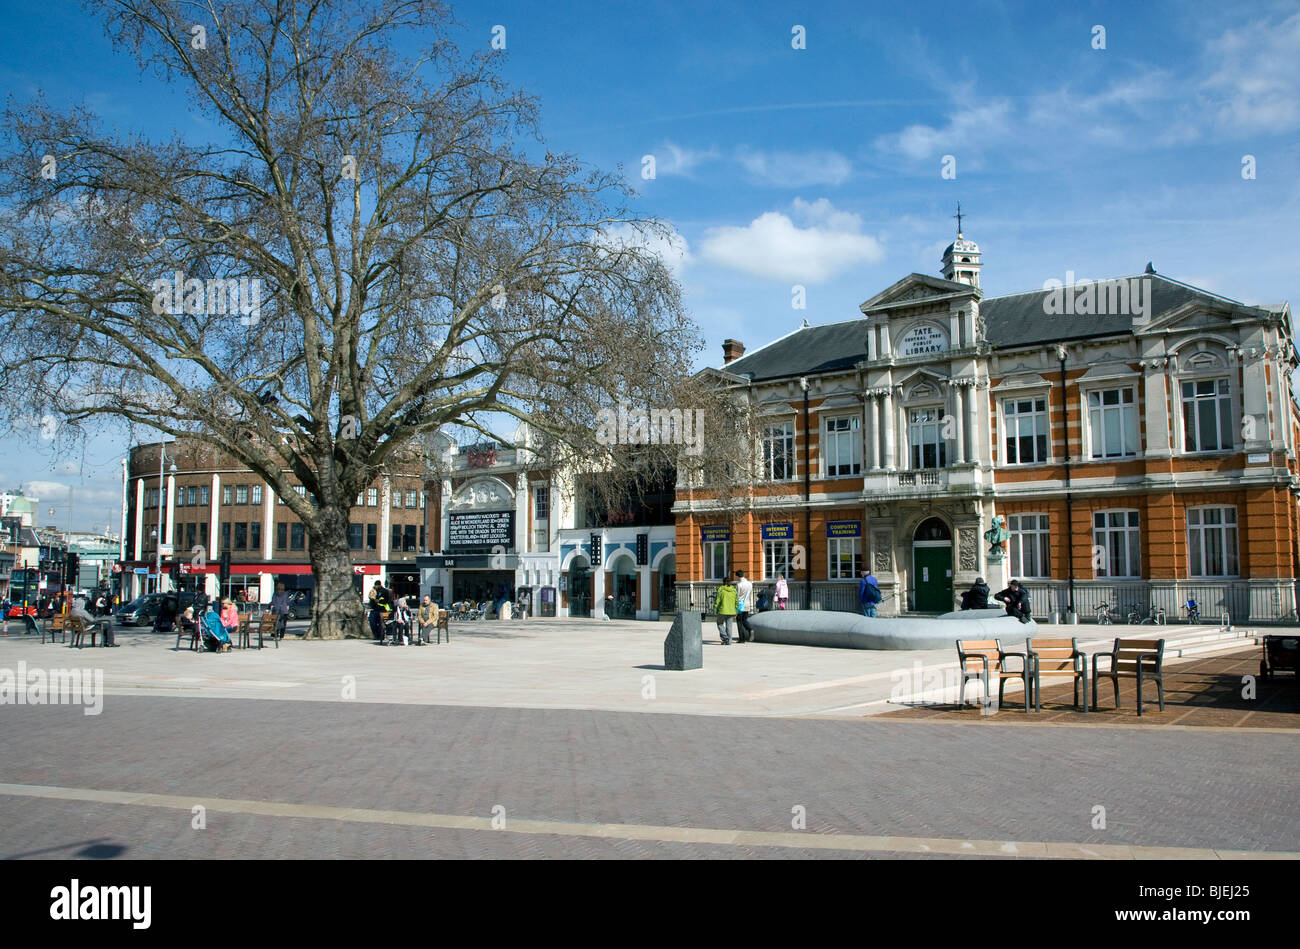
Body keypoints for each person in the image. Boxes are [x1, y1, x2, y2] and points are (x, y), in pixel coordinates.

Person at [712, 574, 739, 645]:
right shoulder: (734, 591)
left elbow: (717, 601)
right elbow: (737, 602)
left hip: (722, 610)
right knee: (729, 627)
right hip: (731, 611)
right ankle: (729, 641)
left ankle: (725, 637)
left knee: (719, 624)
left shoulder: (721, 590)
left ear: (723, 582)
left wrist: (715, 608)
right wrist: (736, 610)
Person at [734, 570, 754, 643]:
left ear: (737, 576)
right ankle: (750, 629)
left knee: (739, 621)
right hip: (747, 603)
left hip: (740, 605)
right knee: (744, 620)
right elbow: (751, 594)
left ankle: (742, 639)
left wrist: (735, 607)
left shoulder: (738, 585)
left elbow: (736, 596)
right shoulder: (749, 584)